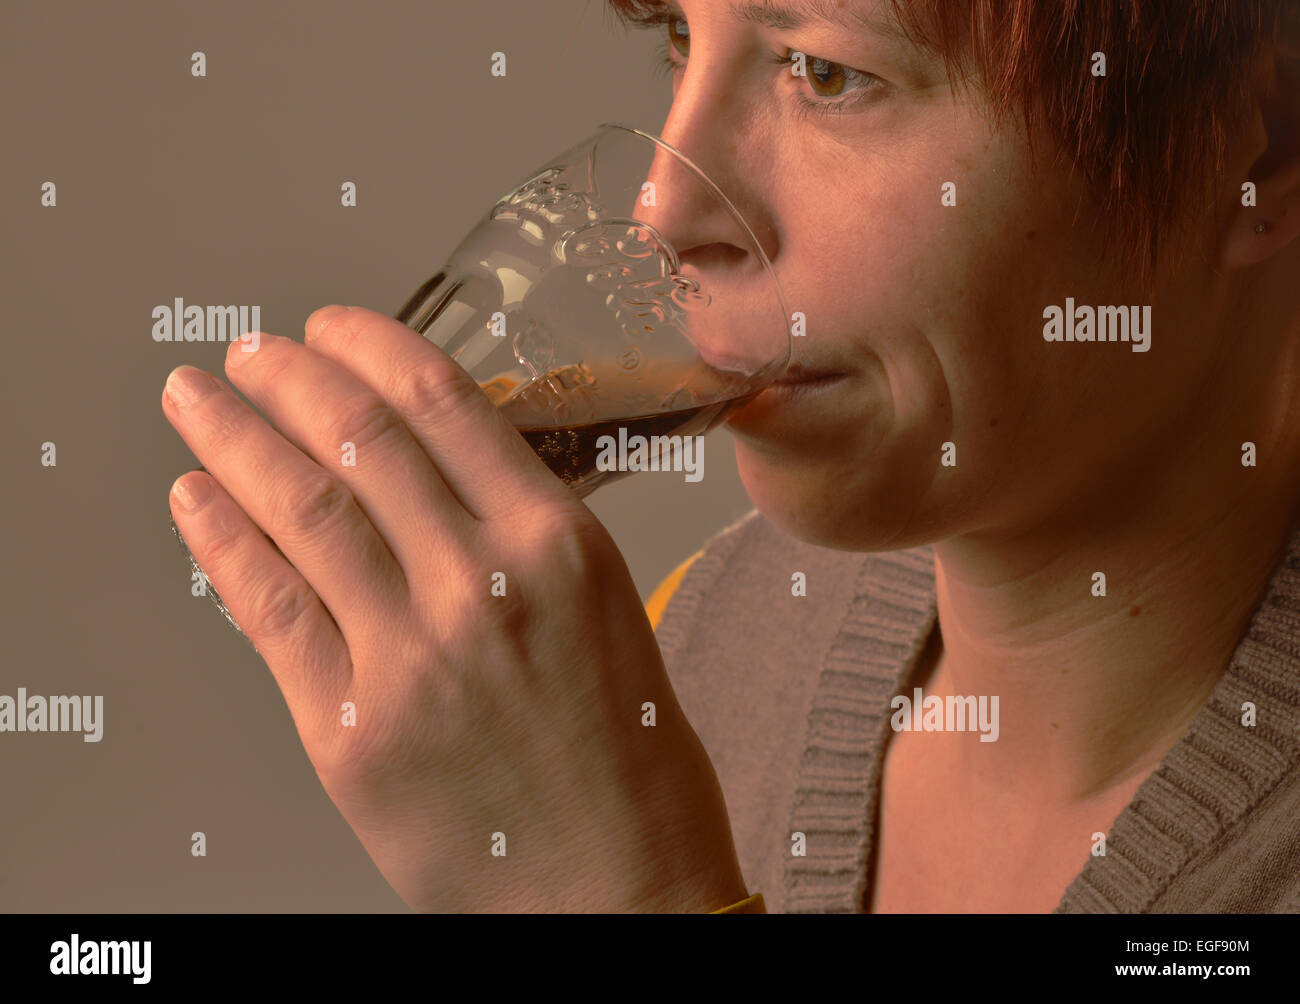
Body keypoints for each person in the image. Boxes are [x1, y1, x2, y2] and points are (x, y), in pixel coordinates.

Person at [162, 0, 1300, 913]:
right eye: (677, 38)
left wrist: (618, 892)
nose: (661, 211)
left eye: (824, 72)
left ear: (1258, 150)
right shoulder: (700, 637)